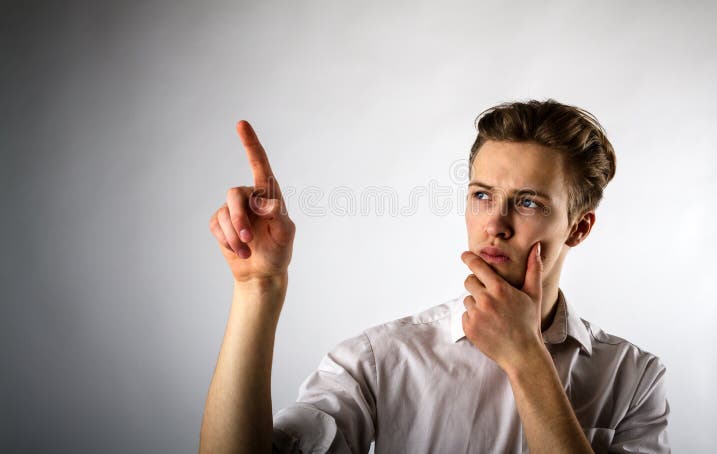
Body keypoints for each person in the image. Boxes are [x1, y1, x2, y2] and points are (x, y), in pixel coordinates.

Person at [198, 99, 671, 454]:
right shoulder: (382, 360)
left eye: (528, 202)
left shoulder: (633, 379)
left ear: (579, 227)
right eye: (482, 195)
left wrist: (527, 357)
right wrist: (256, 288)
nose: (495, 224)